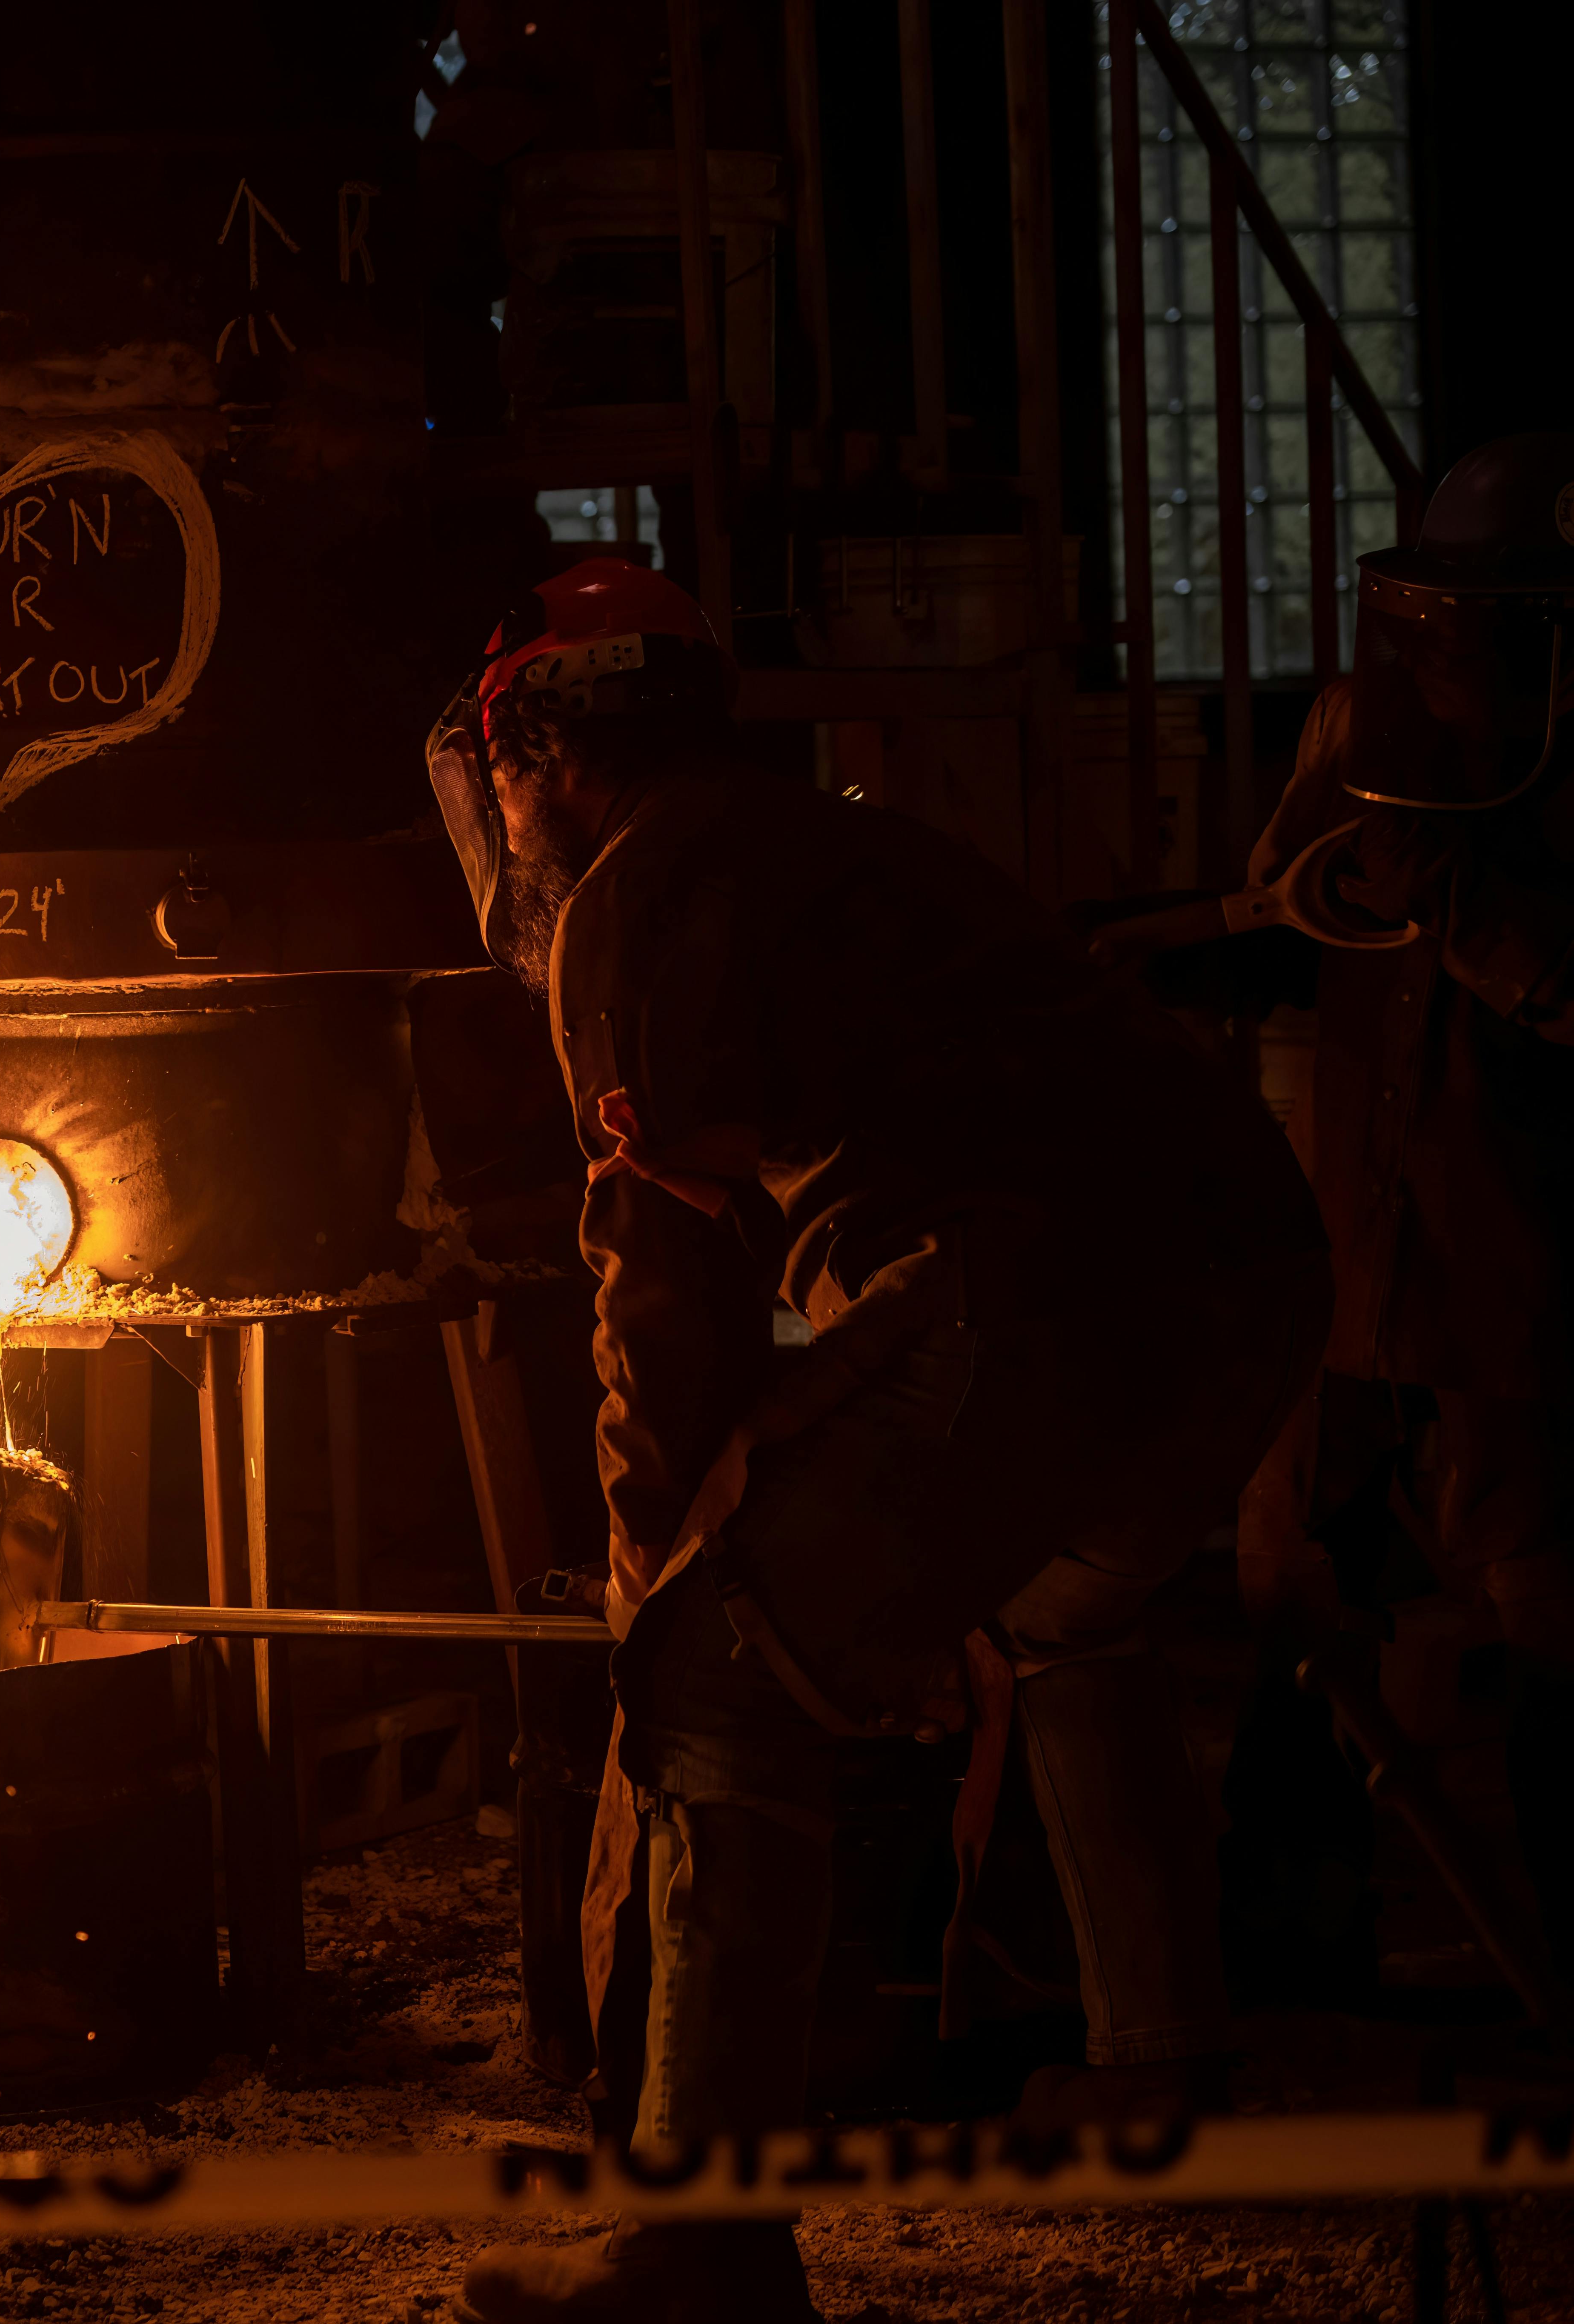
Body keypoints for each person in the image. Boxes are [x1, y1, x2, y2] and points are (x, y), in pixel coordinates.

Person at [425, 560, 1328, 2324]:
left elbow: (659, 1292)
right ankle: (1155, 2052)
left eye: (506, 773)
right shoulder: (817, 842)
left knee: (716, 1670)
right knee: (1063, 1615)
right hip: (1242, 1278)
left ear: (527, 749)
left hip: (1041, 1293)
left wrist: (653, 1563)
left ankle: (695, 2234)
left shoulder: (628, 888)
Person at [1232, 433, 1574, 1977]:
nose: (1462, 651)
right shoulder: (1368, 725)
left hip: (1516, 1270)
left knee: (1547, 1610)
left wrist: (1445, 880)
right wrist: (1351, 853)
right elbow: (1273, 888)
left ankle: (1558, 1970)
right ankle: (1297, 1958)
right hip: (1356, 1251)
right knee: (1292, 1592)